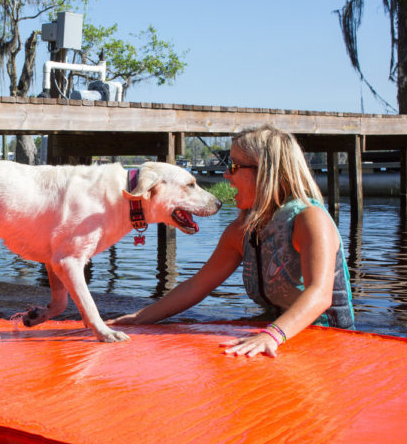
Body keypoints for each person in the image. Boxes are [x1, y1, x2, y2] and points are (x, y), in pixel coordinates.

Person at [110, 125, 354, 357]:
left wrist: (272, 335)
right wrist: (139, 317)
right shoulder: (240, 232)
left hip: (329, 342)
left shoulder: (310, 219)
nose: (226, 174)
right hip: (277, 339)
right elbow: (196, 286)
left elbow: (320, 294)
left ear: (265, 173)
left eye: (235, 167)